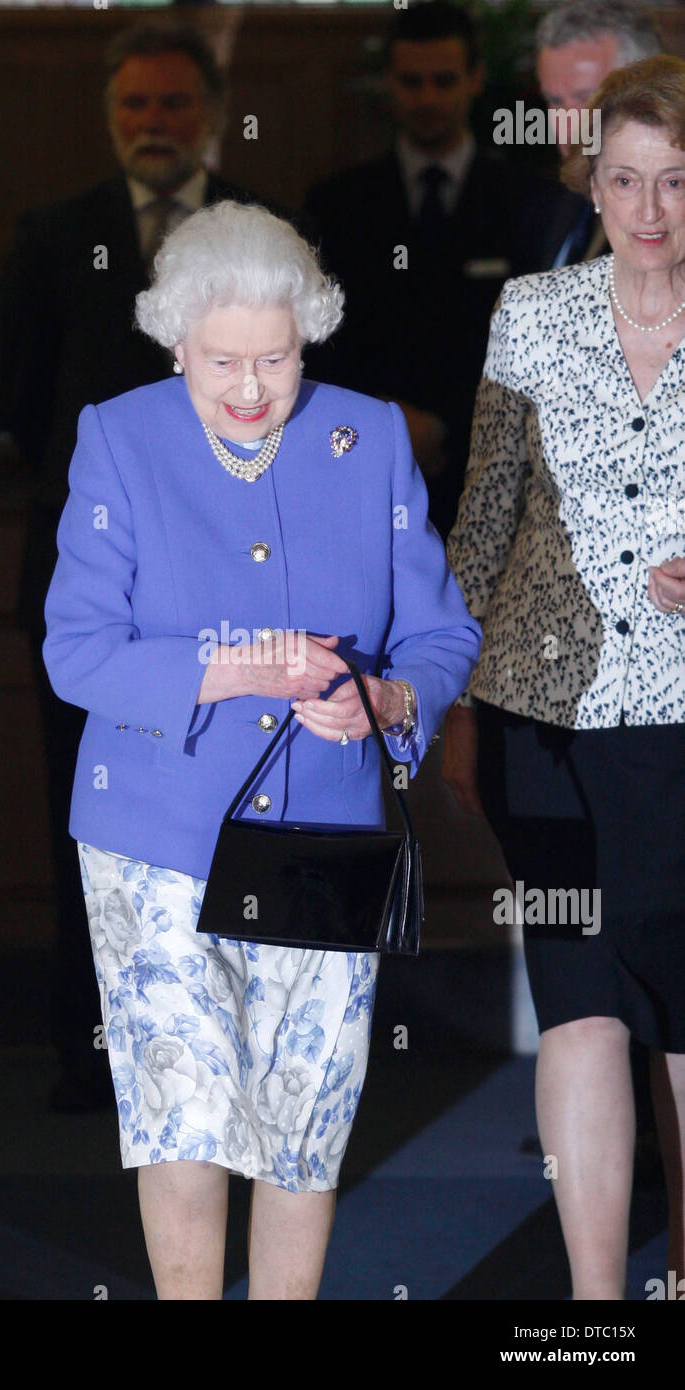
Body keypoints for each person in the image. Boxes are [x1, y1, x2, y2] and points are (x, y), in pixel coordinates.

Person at [42, 200, 481, 1299]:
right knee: (184, 1113)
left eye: (275, 360)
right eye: (221, 362)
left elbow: (440, 634)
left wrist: (386, 698)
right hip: (153, 835)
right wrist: (239, 667)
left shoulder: (368, 435)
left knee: (301, 1123)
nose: (248, 388)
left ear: (308, 335)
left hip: (322, 832)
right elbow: (76, 654)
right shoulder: (119, 435)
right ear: (174, 341)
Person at [0, 23, 281, 1111]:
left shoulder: (260, 230)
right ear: (109, 116)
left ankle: (233, 1036)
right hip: (90, 593)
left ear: (208, 111)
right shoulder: (54, 234)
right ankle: (97, 1044)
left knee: (233, 812)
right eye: (132, 107)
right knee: (94, 811)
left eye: (170, 105)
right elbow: (30, 410)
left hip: (236, 587)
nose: (151, 126)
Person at [443, 54, 685, 1300]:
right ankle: (596, 1307)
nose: (646, 212)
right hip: (542, 717)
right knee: (579, 1005)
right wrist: (439, 686)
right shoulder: (531, 317)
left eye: (675, 183)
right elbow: (484, 517)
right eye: (623, 180)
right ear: (588, 181)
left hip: (682, 724)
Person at [303, 1, 570, 538]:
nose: (427, 98)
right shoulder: (338, 205)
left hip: (496, 472)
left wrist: (444, 426)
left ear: (474, 81)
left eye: (443, 81)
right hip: (362, 464)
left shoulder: (531, 204)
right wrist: (387, 423)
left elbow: (538, 349)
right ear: (388, 83)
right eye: (412, 81)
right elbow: (316, 338)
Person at [536, 0, 662, 268]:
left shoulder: (671, 213)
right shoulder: (563, 200)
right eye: (555, 101)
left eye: (588, 100)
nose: (568, 123)